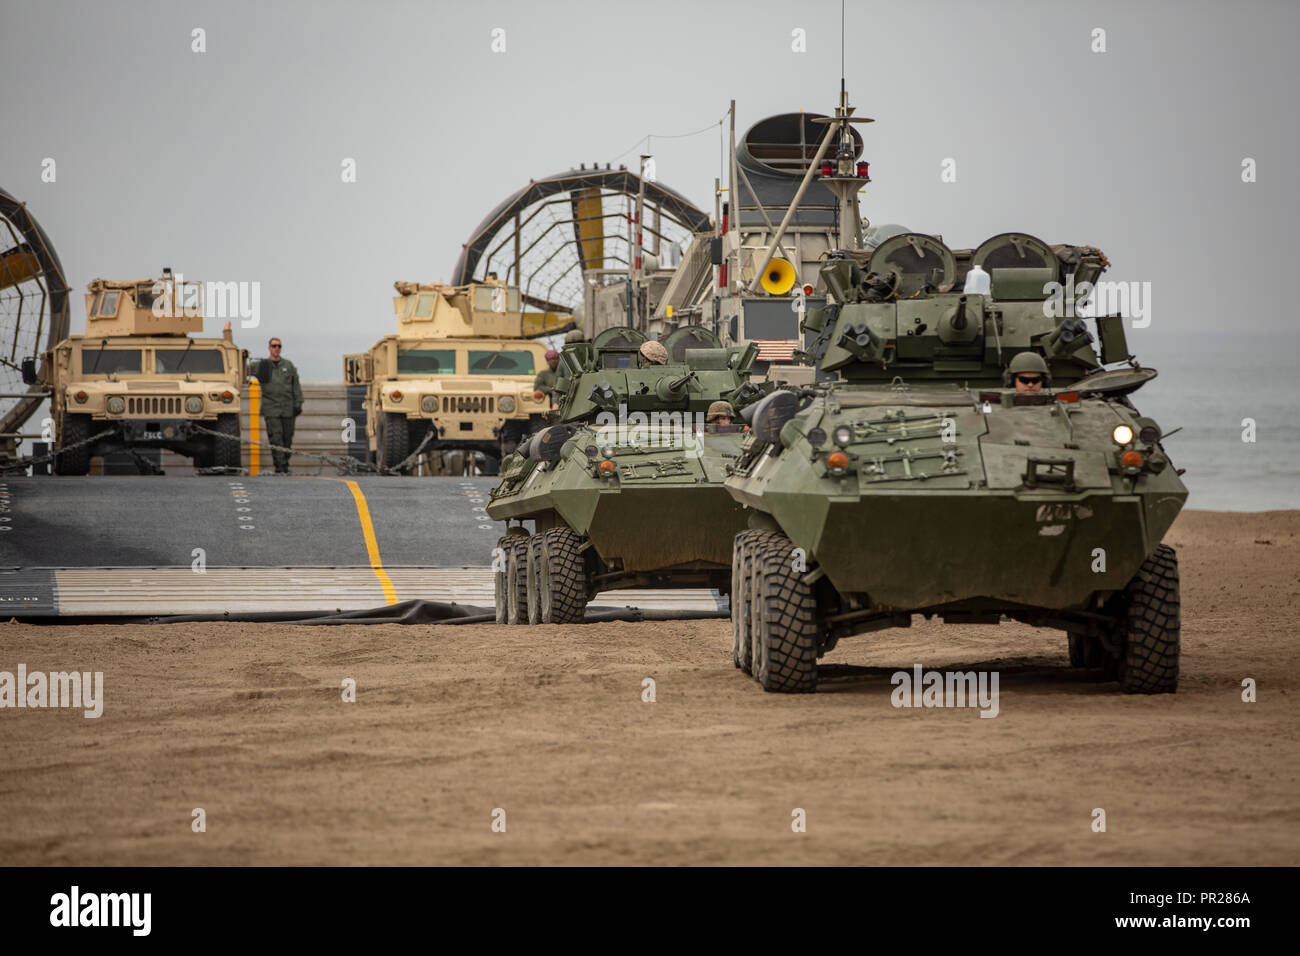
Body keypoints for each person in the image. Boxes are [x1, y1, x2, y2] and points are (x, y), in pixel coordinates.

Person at [253, 337, 303, 474]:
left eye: (279, 346)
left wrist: (298, 403)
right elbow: (241, 369)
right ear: (269, 347)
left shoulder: (288, 365)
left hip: (287, 408)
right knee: (276, 437)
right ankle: (280, 467)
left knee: (287, 438)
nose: (276, 348)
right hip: (271, 408)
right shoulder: (262, 365)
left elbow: (295, 386)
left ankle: (285, 464)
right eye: (274, 346)